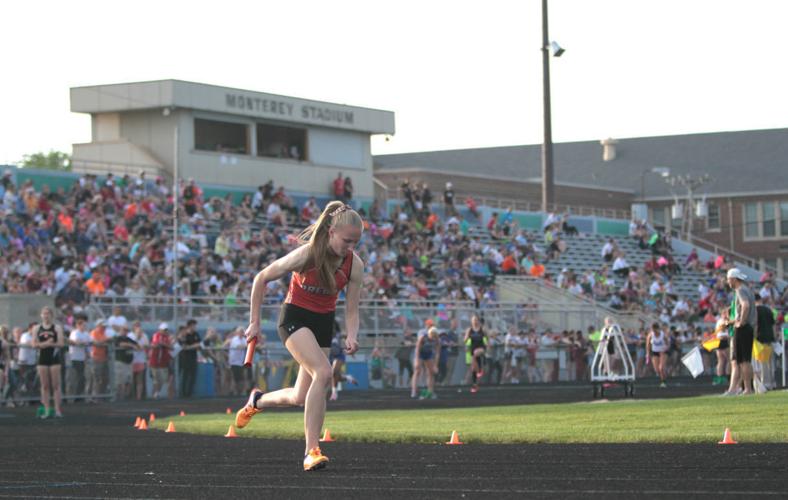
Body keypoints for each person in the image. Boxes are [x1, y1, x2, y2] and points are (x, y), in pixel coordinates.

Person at [235, 201, 363, 472]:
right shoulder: (307, 255)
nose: (350, 247)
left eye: (355, 242)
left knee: (300, 397)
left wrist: (352, 335)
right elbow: (261, 278)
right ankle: (311, 451)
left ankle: (257, 401)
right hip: (295, 318)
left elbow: (352, 309)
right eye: (346, 241)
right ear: (331, 232)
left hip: (323, 323)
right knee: (324, 372)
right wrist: (254, 322)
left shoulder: (355, 265)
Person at [723, 268, 756, 396]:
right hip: (749, 328)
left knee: (742, 361)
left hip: (743, 328)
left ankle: (747, 389)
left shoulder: (740, 290)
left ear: (734, 279)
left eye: (728, 279)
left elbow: (745, 305)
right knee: (746, 360)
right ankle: (747, 388)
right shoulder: (748, 290)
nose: (728, 282)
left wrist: (741, 322)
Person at [31, 306, 65, 418]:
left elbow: (61, 344)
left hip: (54, 358)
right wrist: (46, 344)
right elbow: (33, 344)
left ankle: (57, 410)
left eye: (48, 313)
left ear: (51, 315)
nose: (46, 316)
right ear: (41, 315)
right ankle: (46, 410)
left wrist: (51, 344)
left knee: (55, 385)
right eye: (44, 313)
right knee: (45, 386)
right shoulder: (37, 328)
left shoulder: (57, 328)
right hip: (42, 358)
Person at [412, 326, 441, 400]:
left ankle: (430, 391)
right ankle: (414, 391)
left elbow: (437, 353)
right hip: (420, 353)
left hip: (428, 354)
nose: (433, 338)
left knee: (431, 372)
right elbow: (417, 349)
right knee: (417, 370)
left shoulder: (437, 340)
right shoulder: (423, 338)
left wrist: (435, 365)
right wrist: (417, 360)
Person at [67, 317, 91, 399]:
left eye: (85, 325)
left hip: (82, 358)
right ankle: (75, 396)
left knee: (82, 377)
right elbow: (77, 341)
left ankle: (79, 396)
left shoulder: (86, 334)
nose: (84, 327)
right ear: (78, 325)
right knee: (78, 377)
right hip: (74, 358)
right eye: (83, 325)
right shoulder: (75, 333)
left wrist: (87, 353)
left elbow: (90, 342)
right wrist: (84, 342)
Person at [464, 314, 488, 393]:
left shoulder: (482, 329)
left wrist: (488, 347)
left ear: (478, 321)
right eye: (473, 320)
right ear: (471, 321)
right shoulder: (469, 330)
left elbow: (487, 339)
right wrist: (466, 337)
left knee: (475, 353)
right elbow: (465, 340)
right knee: (473, 369)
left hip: (481, 348)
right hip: (473, 349)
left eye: (476, 320)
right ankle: (475, 385)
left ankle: (480, 371)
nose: (475, 322)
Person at [149, 323, 173, 399]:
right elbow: (155, 344)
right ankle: (155, 394)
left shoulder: (167, 337)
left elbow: (170, 346)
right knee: (155, 379)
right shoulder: (156, 335)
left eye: (166, 330)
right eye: (164, 330)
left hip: (163, 361)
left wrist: (164, 344)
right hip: (155, 360)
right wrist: (162, 344)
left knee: (163, 379)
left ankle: (157, 393)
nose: (165, 331)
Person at [645, 322, 669, 388]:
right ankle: (664, 376)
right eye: (653, 330)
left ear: (658, 329)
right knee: (657, 370)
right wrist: (647, 354)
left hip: (662, 352)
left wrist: (666, 348)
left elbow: (667, 343)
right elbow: (648, 345)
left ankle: (663, 382)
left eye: (655, 330)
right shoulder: (650, 335)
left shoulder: (662, 334)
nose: (655, 332)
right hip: (655, 352)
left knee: (661, 368)